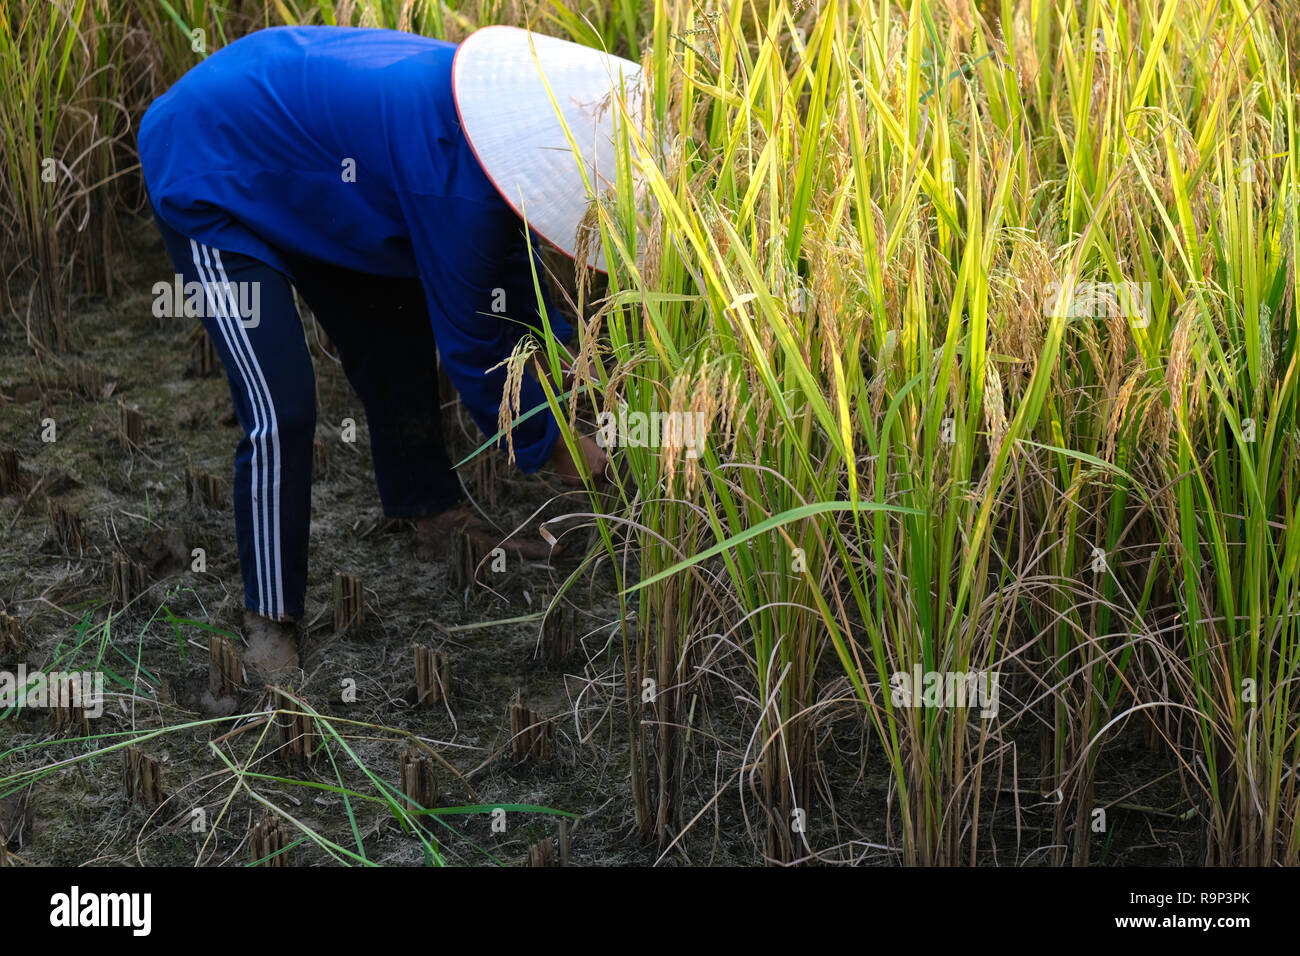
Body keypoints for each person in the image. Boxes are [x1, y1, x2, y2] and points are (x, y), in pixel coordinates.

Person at [137, 24, 636, 674]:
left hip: (319, 168)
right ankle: (270, 627)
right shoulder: (457, 184)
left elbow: (514, 287)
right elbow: (479, 350)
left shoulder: (500, 138)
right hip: (212, 164)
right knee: (280, 407)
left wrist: (580, 362)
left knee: (395, 322)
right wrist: (571, 454)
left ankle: (428, 508)